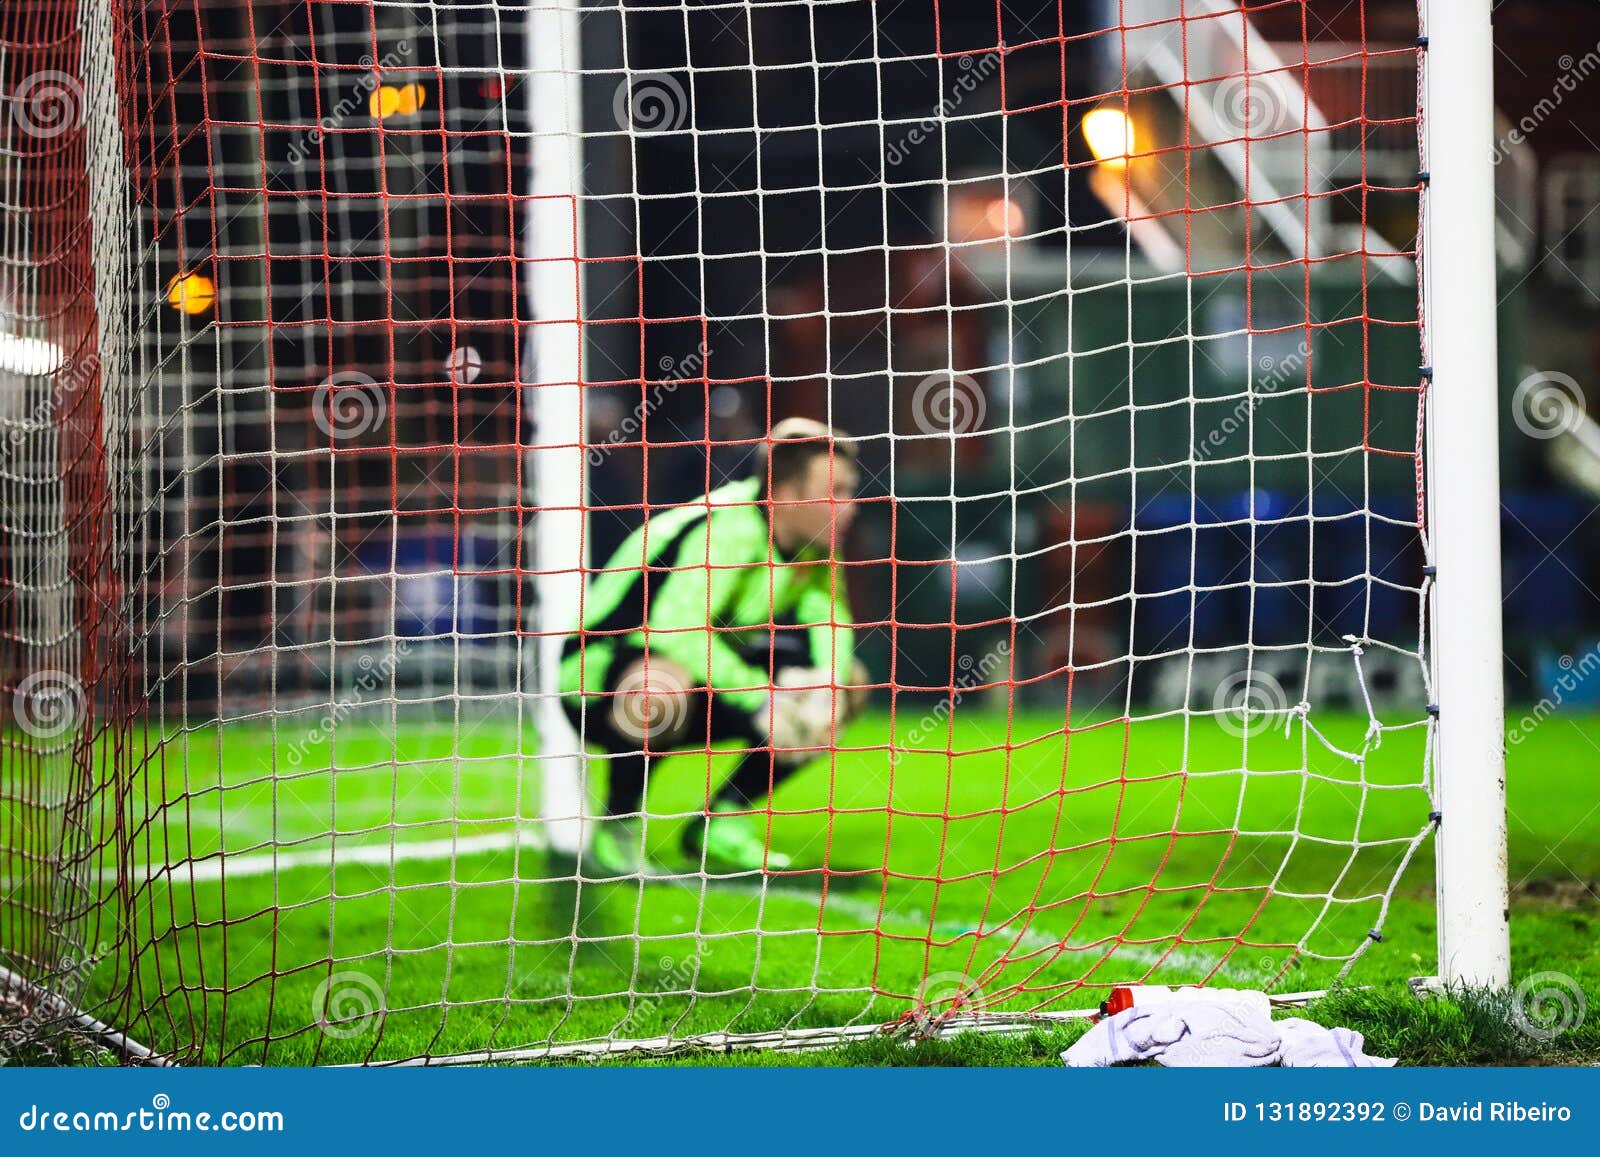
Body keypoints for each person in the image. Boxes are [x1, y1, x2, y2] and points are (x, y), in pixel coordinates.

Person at [559, 418, 868, 877]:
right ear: (785, 494)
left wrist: (826, 683)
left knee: (851, 684)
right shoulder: (726, 527)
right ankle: (616, 829)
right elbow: (673, 631)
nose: (848, 508)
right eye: (834, 492)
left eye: (850, 491)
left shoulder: (816, 542)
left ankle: (720, 825)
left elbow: (830, 615)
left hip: (701, 670)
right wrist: (761, 696)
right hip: (597, 676)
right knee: (659, 685)